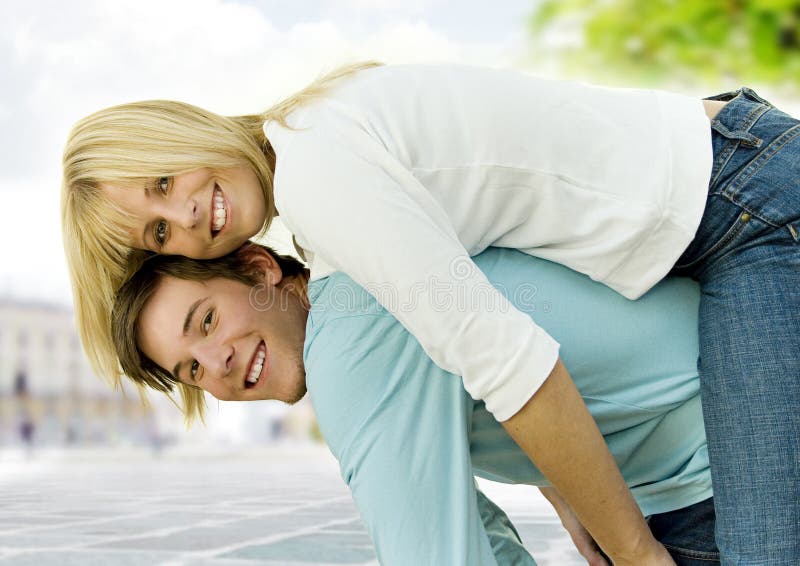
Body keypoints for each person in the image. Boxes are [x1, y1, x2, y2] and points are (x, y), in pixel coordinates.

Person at [62, 62, 799, 564]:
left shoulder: (322, 180)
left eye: (164, 179)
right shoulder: (322, 205)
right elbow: (489, 315)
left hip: (743, 201)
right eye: (160, 233)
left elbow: (511, 363)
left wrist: (635, 550)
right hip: (716, 195)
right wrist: (573, 502)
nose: (187, 214)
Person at [112, 243, 718, 565]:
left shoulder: (349, 335)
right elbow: (470, 524)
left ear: (258, 267)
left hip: (726, 439)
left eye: (208, 320)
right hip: (681, 482)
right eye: (191, 369)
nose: (216, 363)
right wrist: (561, 487)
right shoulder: (349, 308)